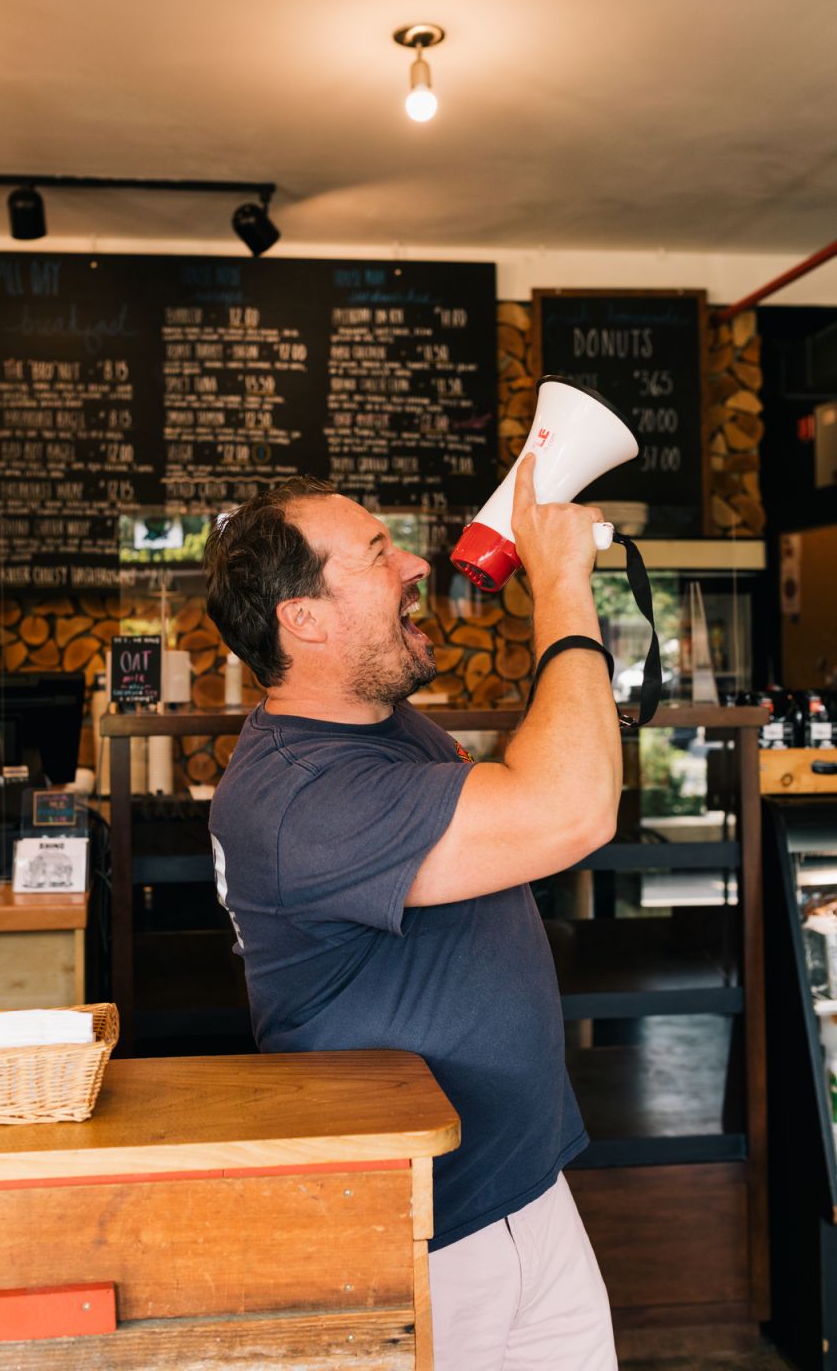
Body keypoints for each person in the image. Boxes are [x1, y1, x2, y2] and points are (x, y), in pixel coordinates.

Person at [205, 455, 622, 1371]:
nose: (414, 568)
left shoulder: (383, 728)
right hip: (431, 1242)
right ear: (302, 619)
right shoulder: (297, 795)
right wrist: (558, 588)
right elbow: (571, 808)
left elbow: (533, 796)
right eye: (378, 551)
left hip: (525, 1193)